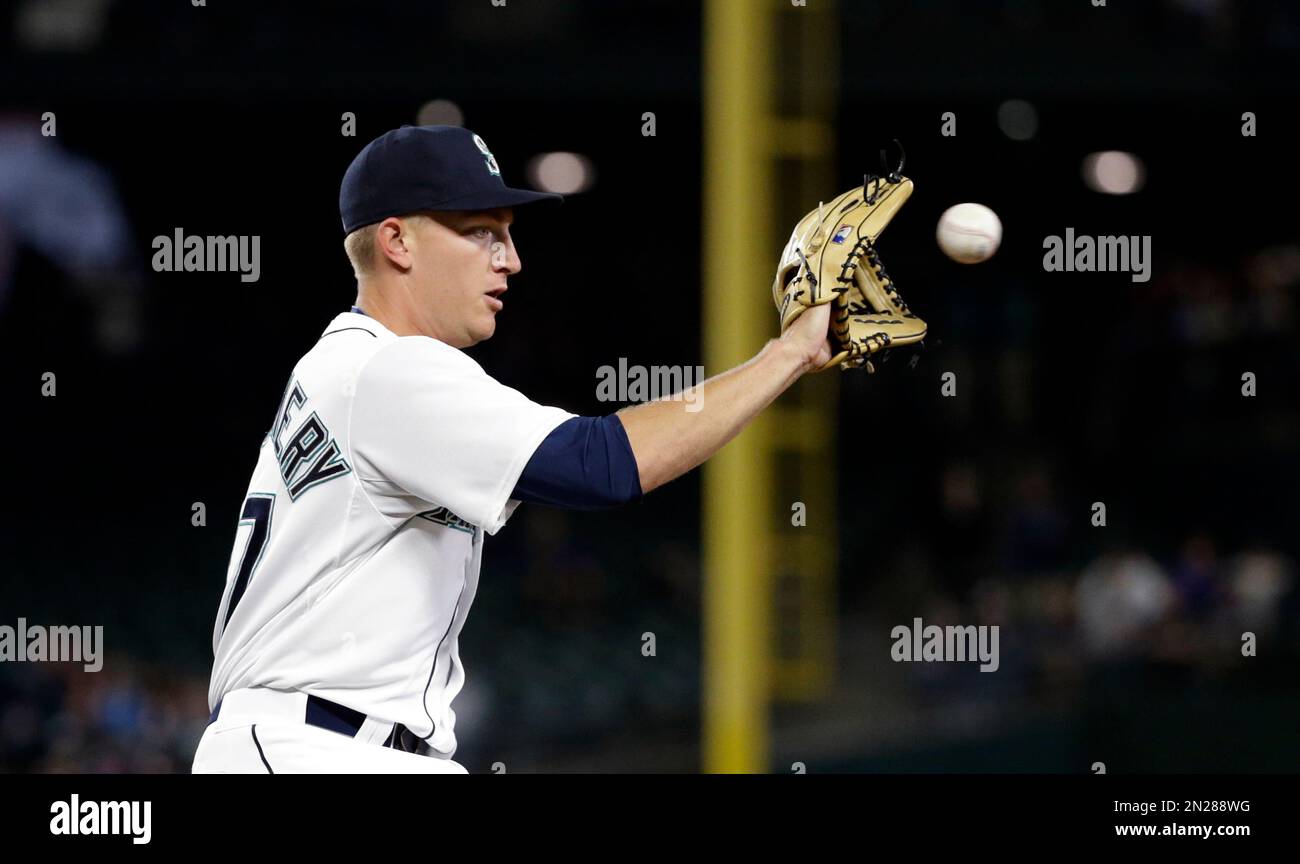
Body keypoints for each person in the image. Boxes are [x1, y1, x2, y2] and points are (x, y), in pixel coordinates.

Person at [191, 125, 831, 773]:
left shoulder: (358, 370)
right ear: (396, 241)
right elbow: (598, 466)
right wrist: (789, 354)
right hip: (314, 749)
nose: (511, 259)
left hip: (330, 746)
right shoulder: (386, 372)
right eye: (482, 232)